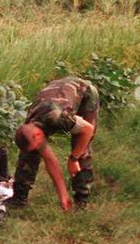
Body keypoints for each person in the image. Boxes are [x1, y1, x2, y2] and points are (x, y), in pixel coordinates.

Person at [9, 75, 99, 211]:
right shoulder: (30, 126)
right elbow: (50, 160)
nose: (40, 148)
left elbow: (88, 130)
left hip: (85, 93)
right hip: (56, 93)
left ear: (38, 135)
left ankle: (82, 200)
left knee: (81, 149)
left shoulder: (57, 117)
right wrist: (63, 195)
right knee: (29, 155)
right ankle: (19, 199)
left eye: (38, 144)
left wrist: (73, 158)